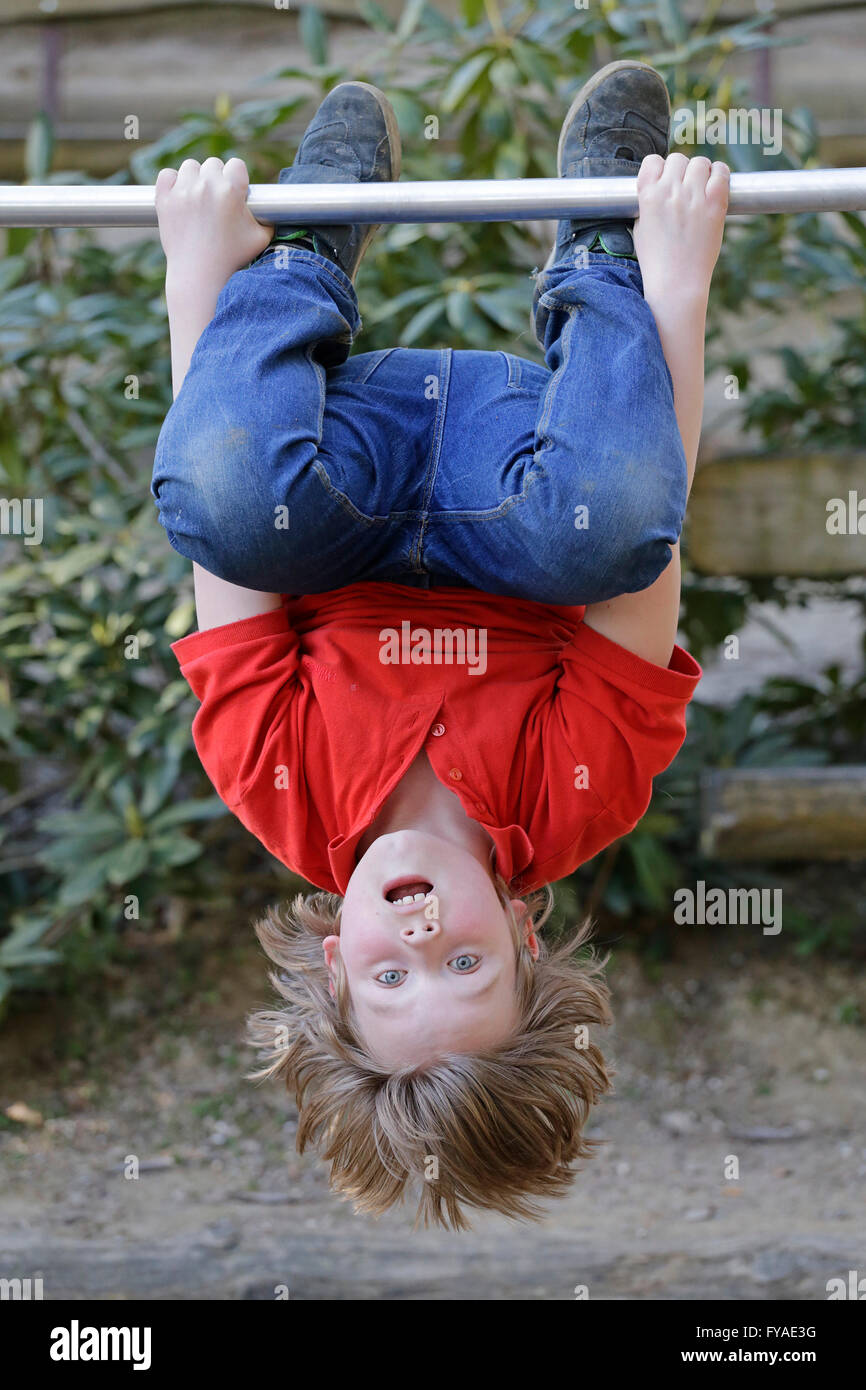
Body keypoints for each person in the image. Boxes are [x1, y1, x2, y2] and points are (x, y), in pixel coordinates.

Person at [151, 62, 729, 1228]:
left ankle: (312, 237)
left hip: (339, 466)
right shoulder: (578, 799)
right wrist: (673, 281)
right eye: (461, 967)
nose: (419, 935)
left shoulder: (278, 793)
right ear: (520, 937)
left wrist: (199, 271)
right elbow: (648, 526)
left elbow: (215, 523)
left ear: (335, 963)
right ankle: (599, 235)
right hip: (517, 473)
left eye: (388, 974)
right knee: (607, 533)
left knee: (226, 502)